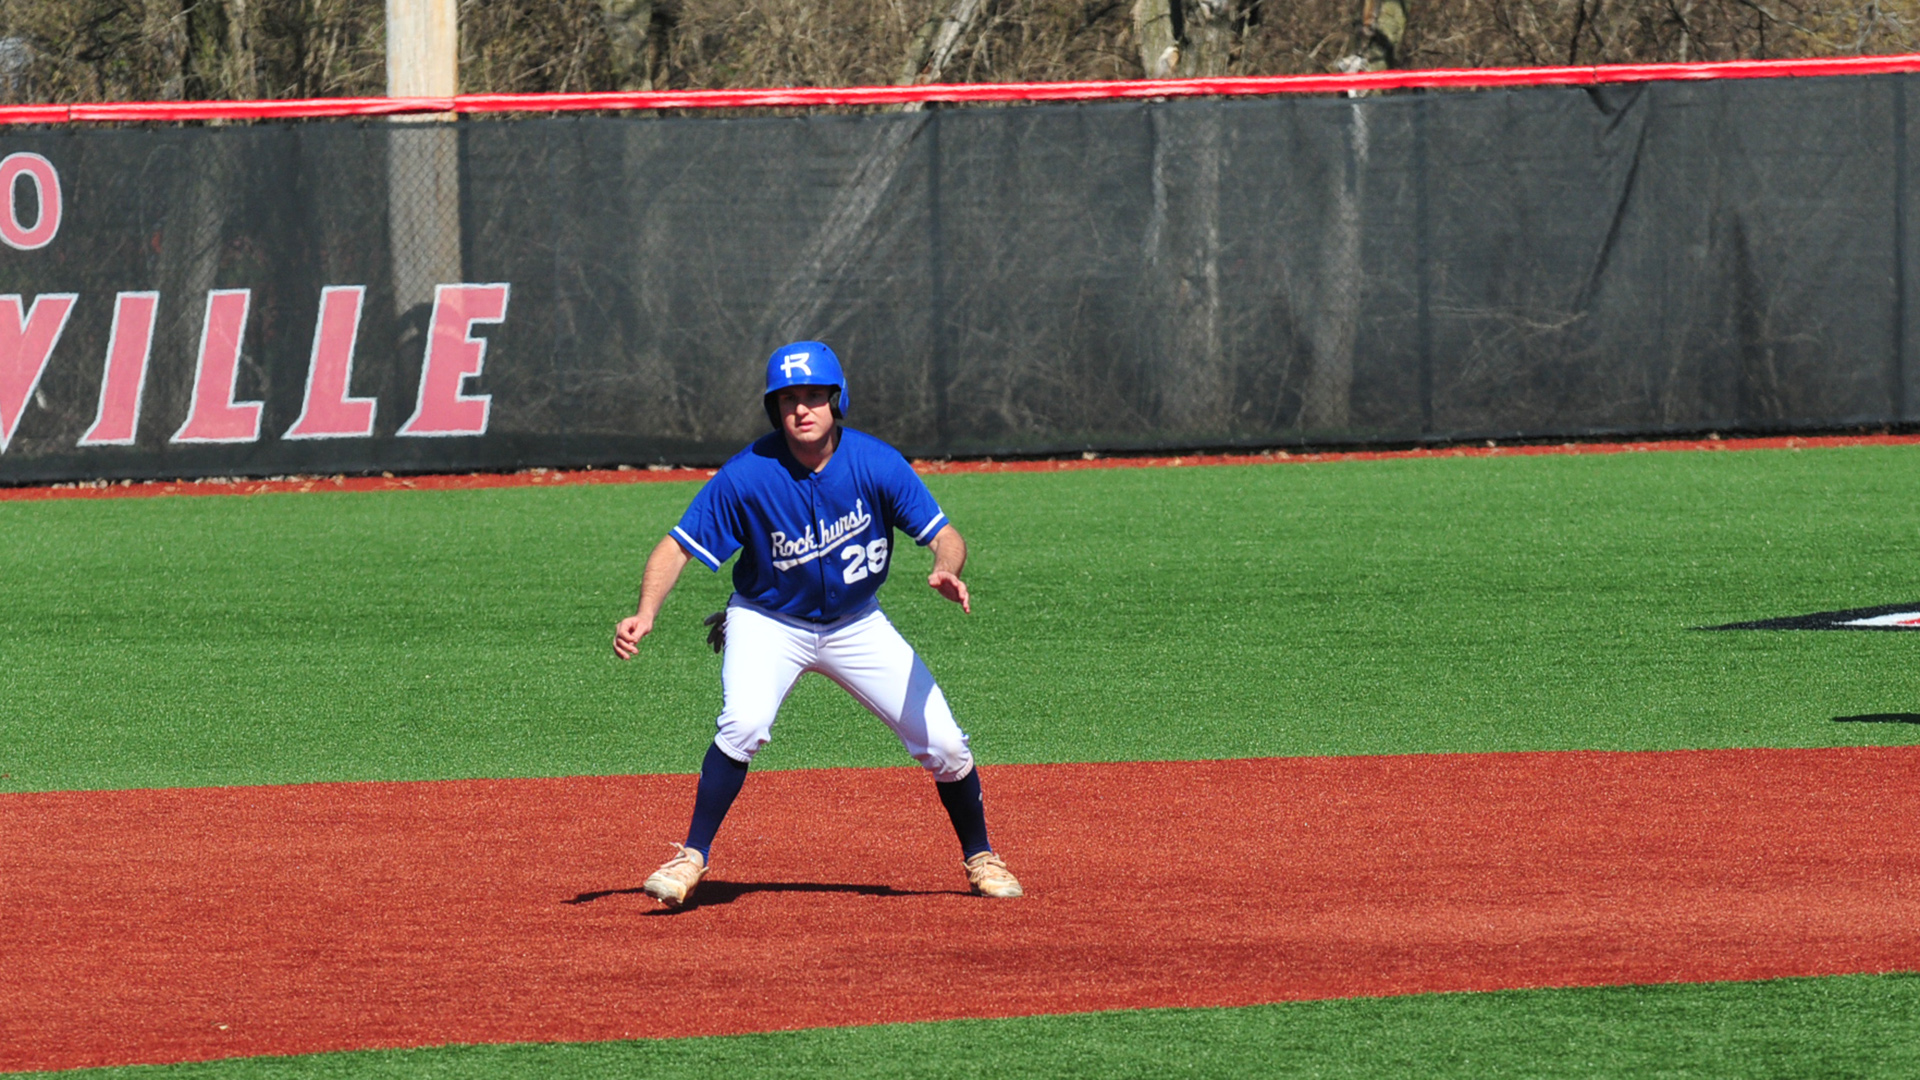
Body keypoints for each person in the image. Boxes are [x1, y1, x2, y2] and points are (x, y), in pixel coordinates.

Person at [612, 341, 1022, 907]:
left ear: (837, 401)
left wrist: (944, 568)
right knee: (744, 723)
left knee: (947, 744)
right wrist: (646, 611)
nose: (800, 410)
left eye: (813, 397)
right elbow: (676, 547)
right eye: (787, 400)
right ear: (774, 409)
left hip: (857, 623)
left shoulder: (876, 462)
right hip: (767, 620)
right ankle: (691, 857)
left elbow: (946, 536)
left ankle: (981, 856)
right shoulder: (747, 475)